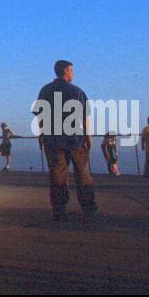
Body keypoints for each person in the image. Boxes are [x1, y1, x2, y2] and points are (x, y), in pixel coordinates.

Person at [32, 59, 97, 221]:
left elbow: (41, 115)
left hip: (52, 139)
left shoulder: (45, 90)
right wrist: (88, 136)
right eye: (72, 71)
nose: (73, 74)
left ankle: (59, 210)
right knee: (82, 174)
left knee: (57, 175)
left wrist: (42, 134)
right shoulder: (77, 91)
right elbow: (85, 115)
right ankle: (88, 209)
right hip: (75, 139)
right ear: (66, 71)